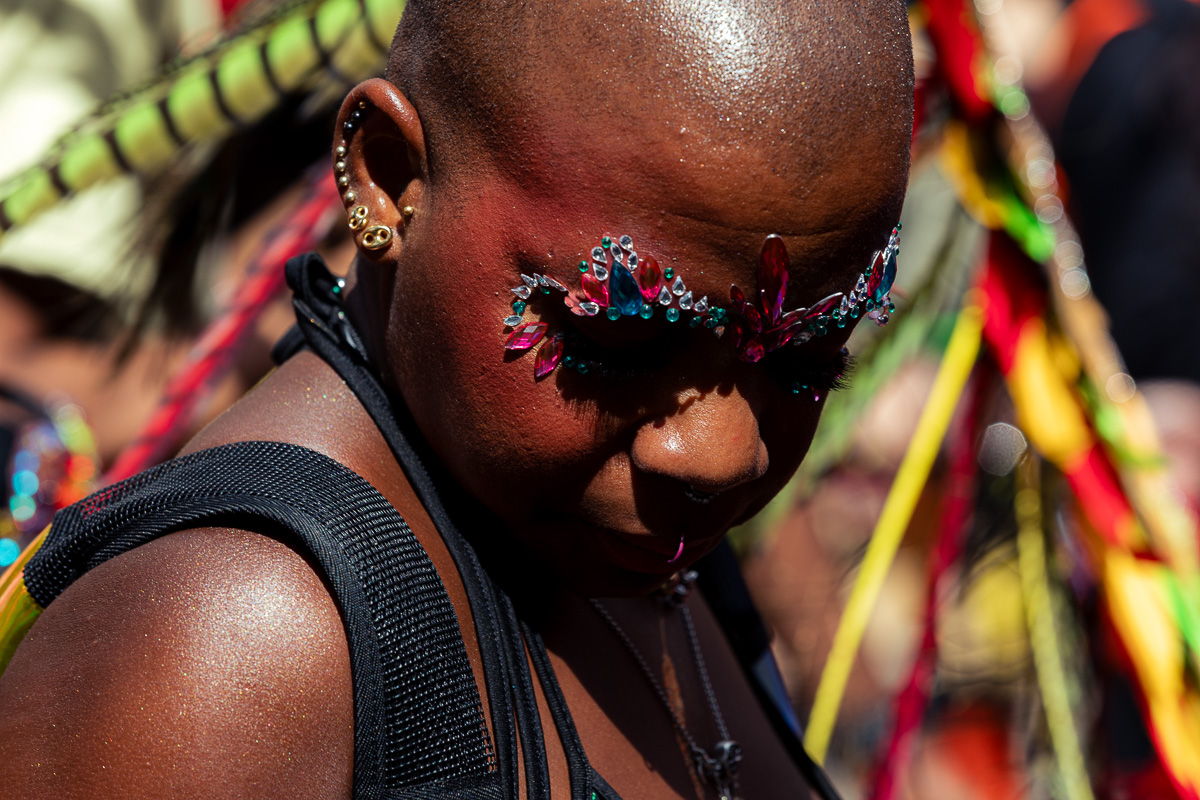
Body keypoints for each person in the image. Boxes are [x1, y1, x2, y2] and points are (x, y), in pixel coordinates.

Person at [0, 1, 914, 798]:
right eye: (616, 335)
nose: (721, 452)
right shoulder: (235, 641)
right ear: (389, 179)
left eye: (810, 352)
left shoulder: (650, 553)